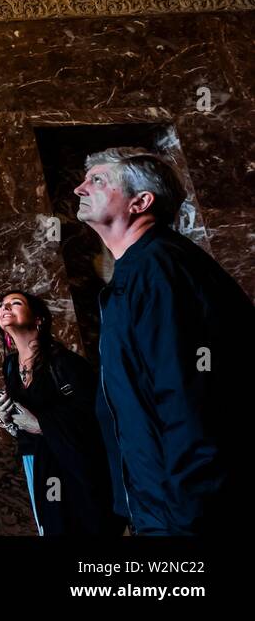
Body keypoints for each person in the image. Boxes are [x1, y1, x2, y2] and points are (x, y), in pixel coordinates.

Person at [75, 147, 253, 535]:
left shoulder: (160, 269)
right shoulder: (138, 271)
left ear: (141, 202)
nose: (79, 188)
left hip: (188, 510)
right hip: (159, 503)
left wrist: (187, 513)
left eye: (98, 180)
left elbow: (188, 393)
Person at [0, 290, 123, 536]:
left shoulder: (65, 363)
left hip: (72, 465)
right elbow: (21, 419)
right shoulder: (10, 365)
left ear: (38, 319)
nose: (5, 308)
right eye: (2, 305)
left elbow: (95, 417)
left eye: (15, 303)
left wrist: (42, 424)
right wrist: (4, 416)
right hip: (36, 462)